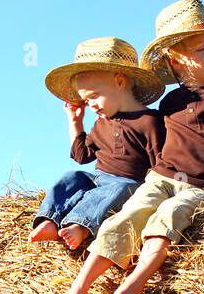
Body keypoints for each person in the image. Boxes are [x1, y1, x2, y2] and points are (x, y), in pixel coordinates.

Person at [52, 0, 204, 294]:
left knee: (168, 217)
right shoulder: (171, 102)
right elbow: (153, 145)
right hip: (162, 177)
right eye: (202, 49)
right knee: (125, 218)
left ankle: (131, 287)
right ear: (175, 59)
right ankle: (77, 291)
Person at [31, 37, 165, 251]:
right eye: (86, 100)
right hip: (96, 178)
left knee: (119, 188)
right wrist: (75, 121)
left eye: (94, 96)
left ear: (120, 82)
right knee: (71, 177)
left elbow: (159, 161)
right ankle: (49, 219)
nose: (91, 105)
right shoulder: (101, 123)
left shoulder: (149, 121)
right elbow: (82, 155)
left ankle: (80, 225)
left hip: (126, 182)